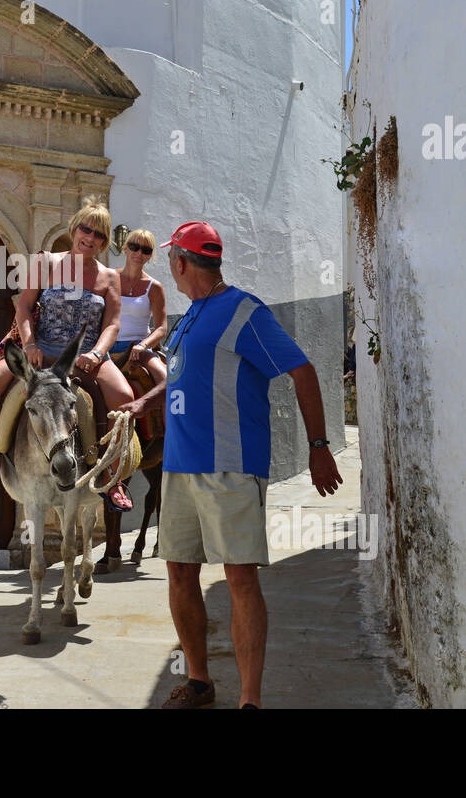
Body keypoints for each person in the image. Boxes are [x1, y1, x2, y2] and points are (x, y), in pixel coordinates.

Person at [118, 221, 343, 708]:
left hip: (231, 466)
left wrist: (319, 445)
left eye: (170, 259)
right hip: (178, 466)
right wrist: (145, 404)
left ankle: (250, 700)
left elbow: (301, 369)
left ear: (180, 262)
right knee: (179, 571)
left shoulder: (243, 311)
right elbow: (182, 381)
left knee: (240, 578)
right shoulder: (190, 317)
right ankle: (199, 681)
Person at [0, 197, 136, 511]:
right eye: (86, 228)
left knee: (124, 395)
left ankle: (113, 477)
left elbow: (112, 324)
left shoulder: (110, 277)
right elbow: (24, 307)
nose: (91, 237)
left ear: (104, 241)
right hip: (42, 350)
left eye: (99, 234)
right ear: (74, 229)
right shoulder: (46, 262)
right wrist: (30, 345)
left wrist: (98, 353)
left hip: (87, 354)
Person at [107, 228, 168, 386]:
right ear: (125, 248)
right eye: (134, 247)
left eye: (146, 250)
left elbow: (161, 327)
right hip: (107, 345)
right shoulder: (108, 278)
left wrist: (143, 345)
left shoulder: (154, 287)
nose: (139, 253)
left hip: (139, 347)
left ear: (150, 256)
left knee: (166, 380)